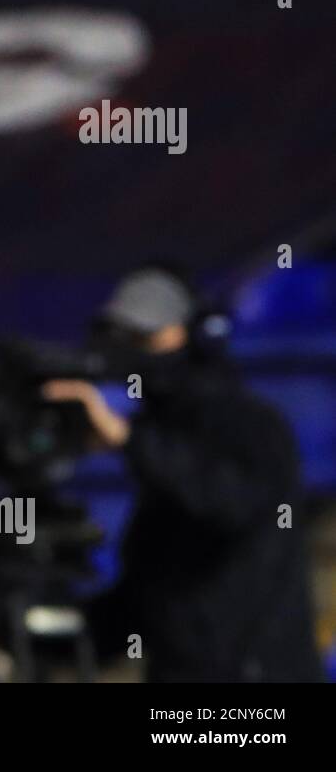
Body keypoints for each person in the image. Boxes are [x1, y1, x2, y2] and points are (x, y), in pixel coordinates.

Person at [42, 266, 322, 682]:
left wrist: (126, 437)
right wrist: (52, 636)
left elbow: (228, 503)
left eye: (147, 337)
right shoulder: (160, 440)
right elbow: (152, 590)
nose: (135, 353)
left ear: (195, 334)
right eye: (125, 339)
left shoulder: (248, 423)